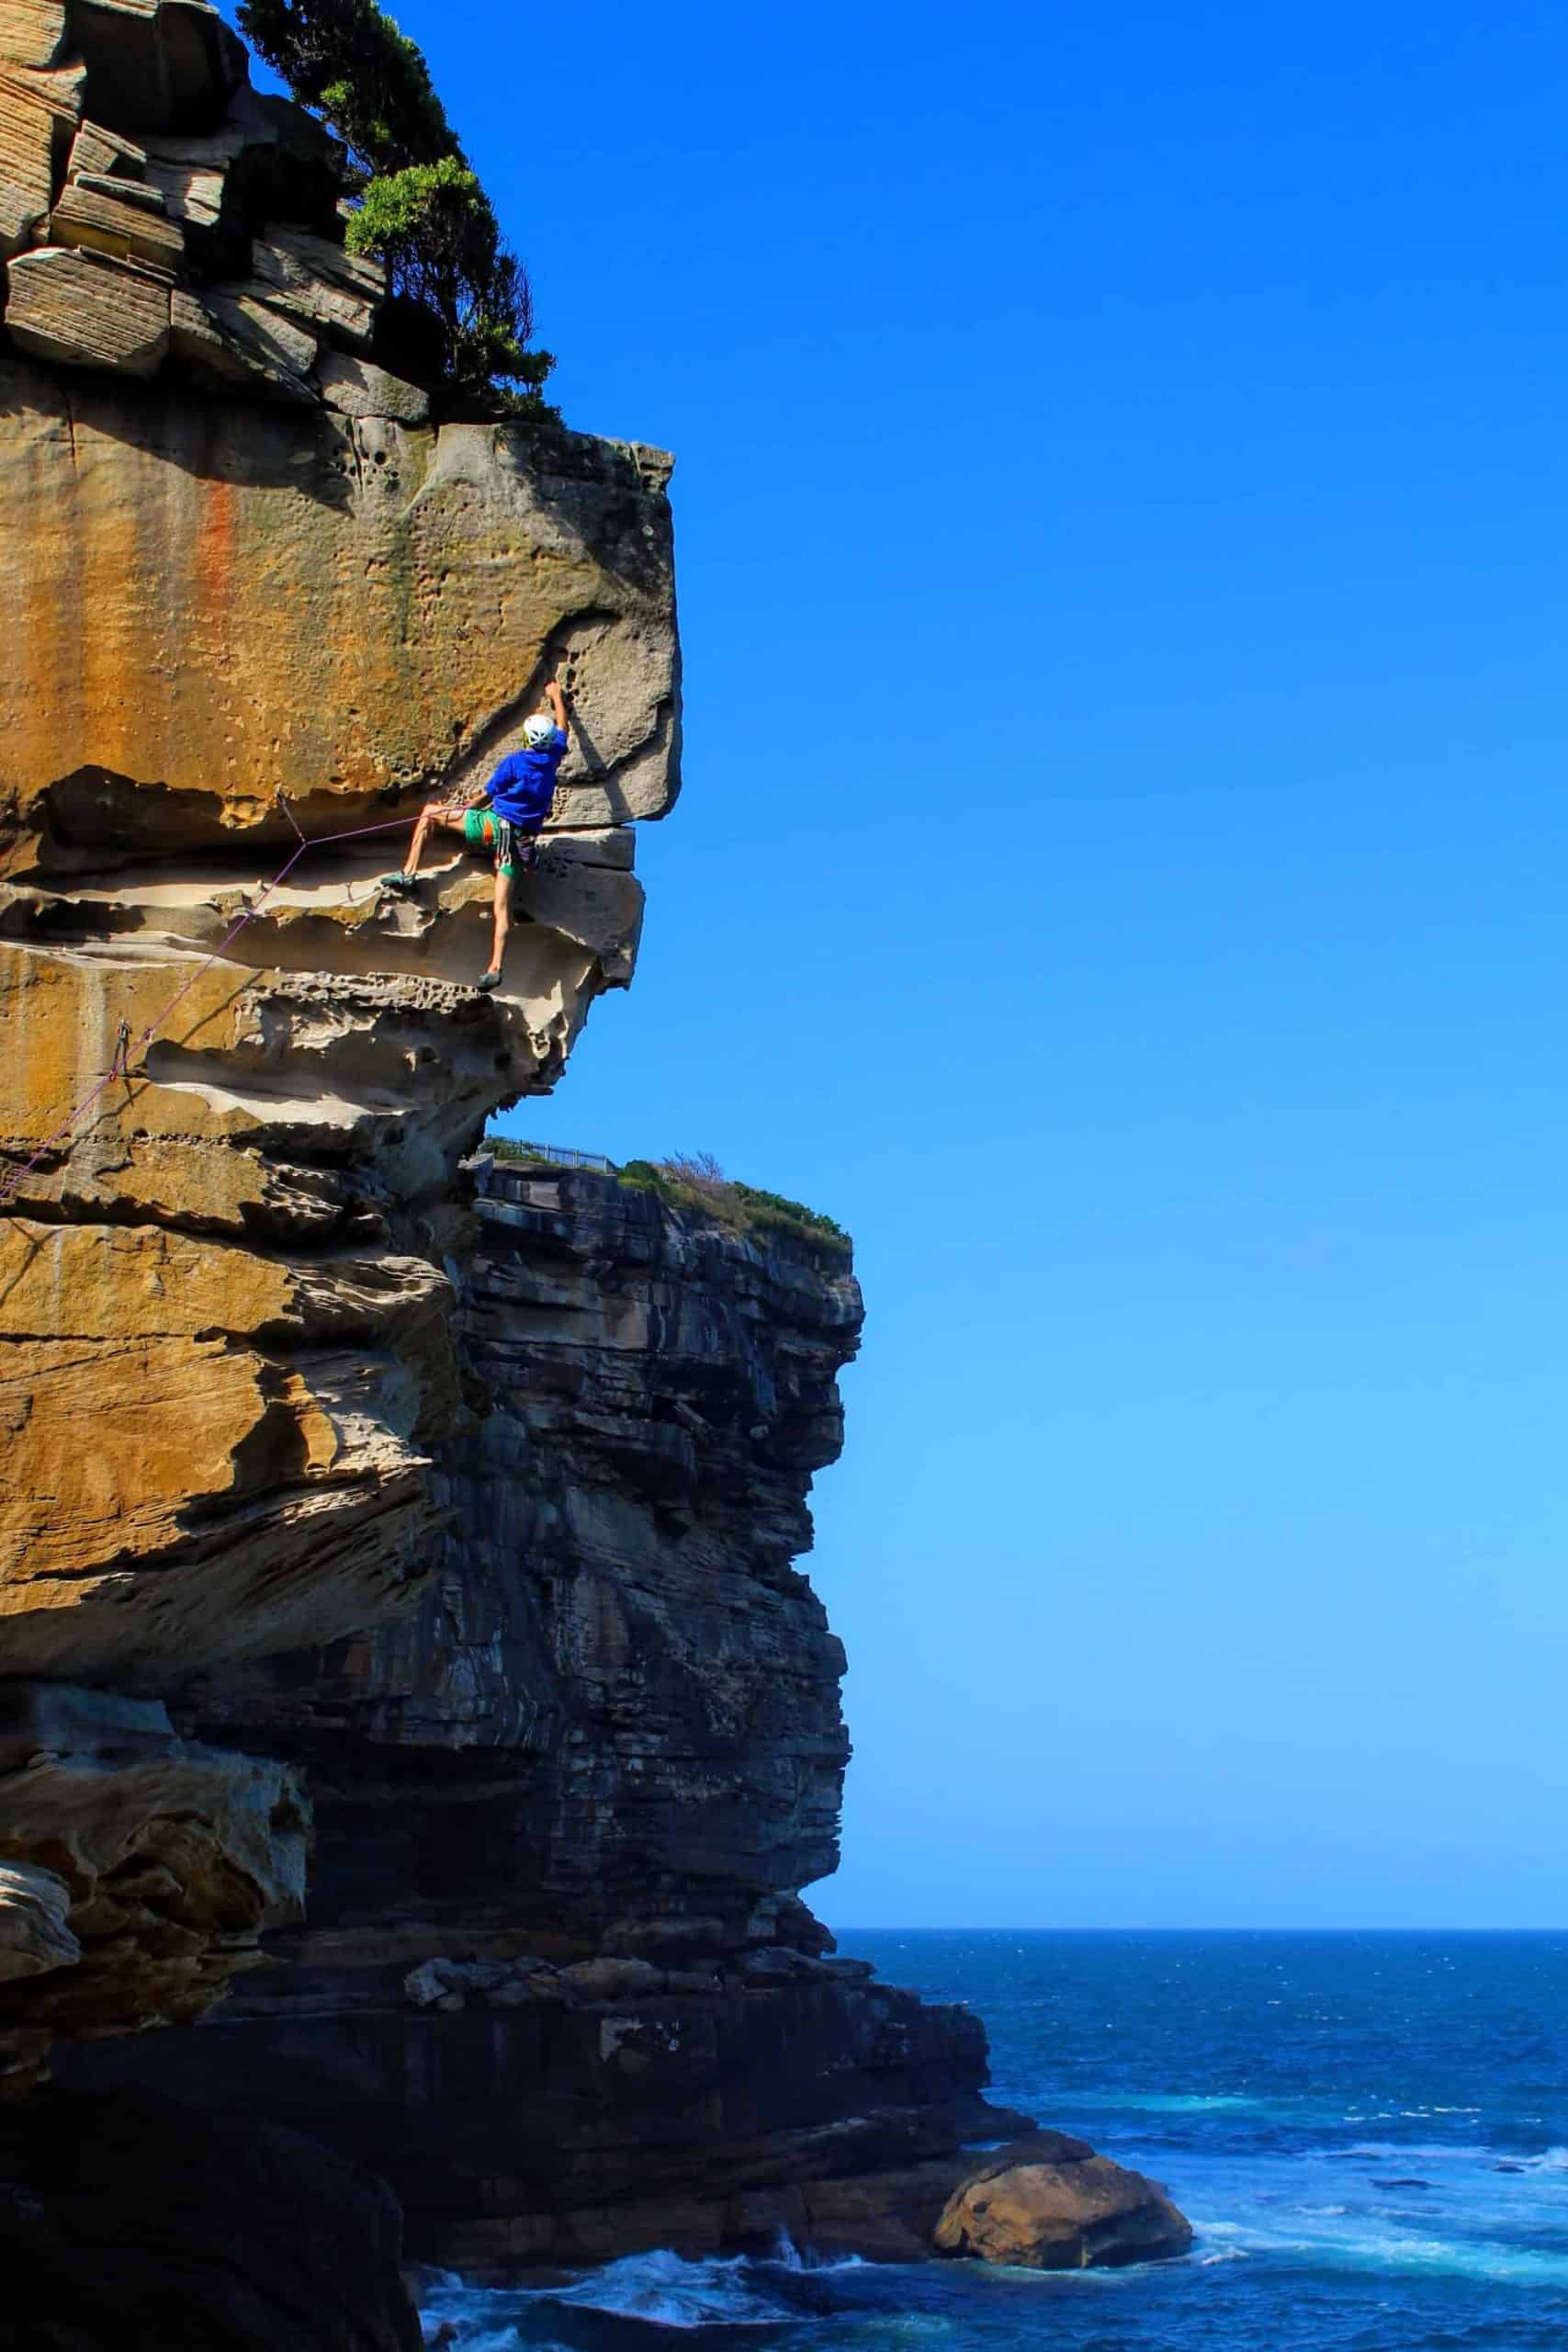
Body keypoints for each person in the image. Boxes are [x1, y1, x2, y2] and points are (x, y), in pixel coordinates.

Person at [379, 678, 570, 991]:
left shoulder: (515, 762)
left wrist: (463, 808)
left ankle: (408, 873)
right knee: (502, 907)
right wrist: (556, 696)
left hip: (492, 827)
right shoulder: (552, 759)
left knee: (430, 813)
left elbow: (486, 794)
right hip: (520, 843)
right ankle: (495, 967)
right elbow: (563, 727)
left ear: (526, 739)